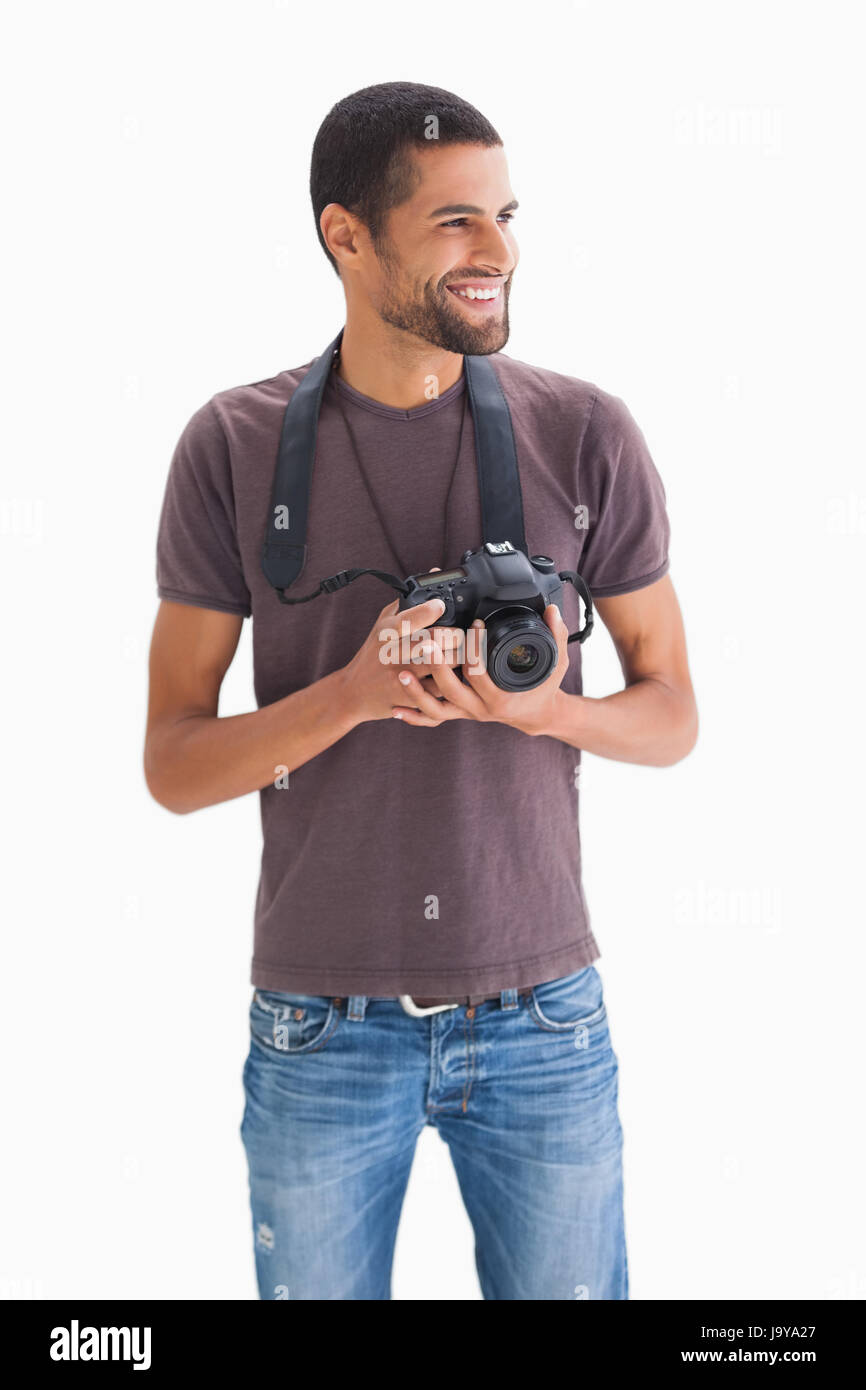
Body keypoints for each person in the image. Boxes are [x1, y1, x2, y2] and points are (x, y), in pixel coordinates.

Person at [145, 81, 698, 1301]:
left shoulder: (585, 431)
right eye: (456, 222)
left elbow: (671, 712)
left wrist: (545, 706)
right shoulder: (233, 447)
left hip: (543, 1013)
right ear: (347, 236)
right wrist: (347, 694)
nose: (498, 251)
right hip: (319, 1023)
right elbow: (173, 764)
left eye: (503, 216)